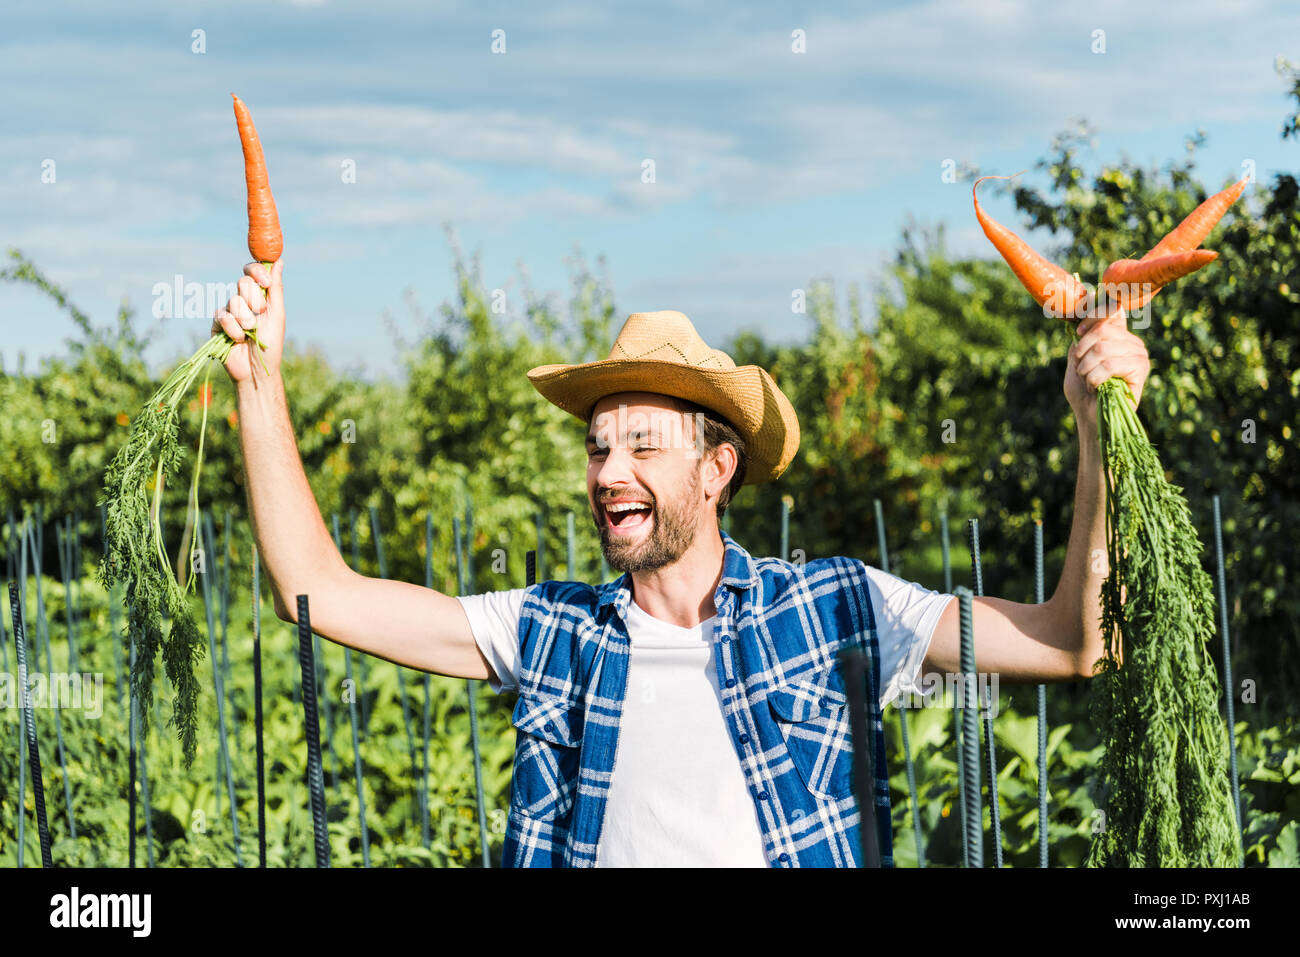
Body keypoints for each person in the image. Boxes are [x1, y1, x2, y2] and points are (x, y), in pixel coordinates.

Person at [213, 261, 1151, 868]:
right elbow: (319, 592)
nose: (609, 471)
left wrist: (1097, 430)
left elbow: (1071, 642)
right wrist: (260, 380)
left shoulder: (837, 610)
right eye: (596, 447)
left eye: (641, 447)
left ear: (716, 468)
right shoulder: (552, 632)